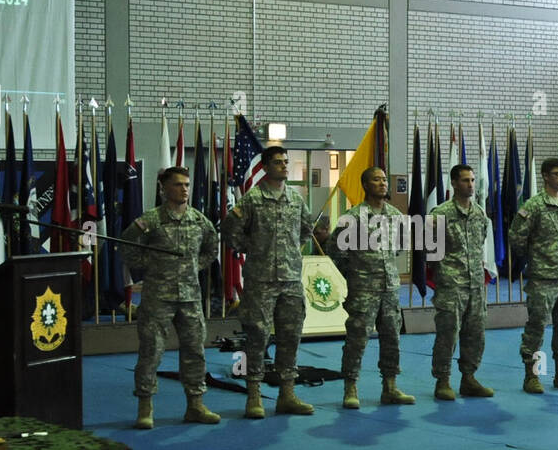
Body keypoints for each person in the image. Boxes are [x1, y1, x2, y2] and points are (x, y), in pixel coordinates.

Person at [121, 166, 219, 428]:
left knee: (194, 352)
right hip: (158, 298)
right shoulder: (151, 219)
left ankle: (195, 405)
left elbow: (212, 245)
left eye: (187, 184)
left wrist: (197, 266)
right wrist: (149, 264)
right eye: (178, 185)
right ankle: (145, 407)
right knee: (151, 352)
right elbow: (126, 245)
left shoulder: (199, 220)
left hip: (190, 297)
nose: (184, 189)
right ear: (164, 189)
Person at [222, 145, 315, 417]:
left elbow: (306, 230)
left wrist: (289, 252)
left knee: (290, 336)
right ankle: (254, 396)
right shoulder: (252, 199)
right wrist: (253, 247)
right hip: (261, 280)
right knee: (257, 337)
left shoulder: (296, 200)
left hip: (290, 281)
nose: (284, 166)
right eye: (278, 162)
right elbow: (230, 230)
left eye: (286, 162)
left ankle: (287, 394)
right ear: (265, 167)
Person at [331, 167, 414, 409]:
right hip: (363, 290)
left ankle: (390, 387)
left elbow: (399, 246)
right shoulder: (353, 217)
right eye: (376, 180)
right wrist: (357, 274)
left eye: (385, 179)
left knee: (392, 339)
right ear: (365, 185)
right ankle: (350, 387)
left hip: (389, 289)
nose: (382, 183)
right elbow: (336, 252)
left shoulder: (396, 216)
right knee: (357, 339)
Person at [508, 157, 558, 393]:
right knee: (537, 328)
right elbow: (516, 238)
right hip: (543, 278)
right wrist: (539, 255)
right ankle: (532, 376)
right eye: (557, 174)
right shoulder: (533, 206)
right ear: (545, 176)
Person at [429, 165, 493, 400]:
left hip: (476, 285)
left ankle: (469, 378)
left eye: (473, 180)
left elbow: (480, 245)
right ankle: (443, 380)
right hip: (451, 285)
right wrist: (445, 273)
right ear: (454, 183)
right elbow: (429, 249)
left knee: (475, 334)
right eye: (465, 180)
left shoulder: (479, 214)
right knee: (448, 334)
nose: (471, 184)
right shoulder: (440, 215)